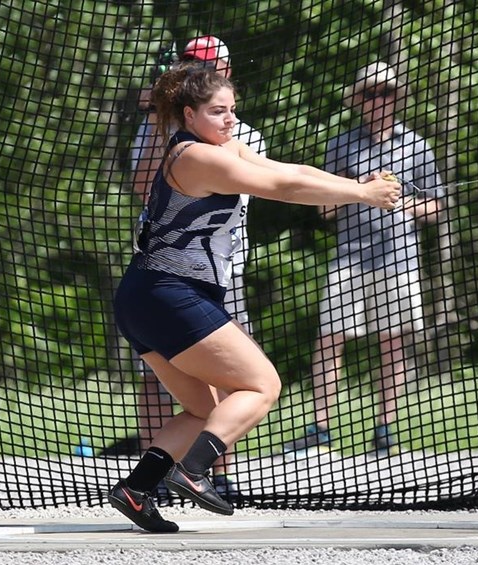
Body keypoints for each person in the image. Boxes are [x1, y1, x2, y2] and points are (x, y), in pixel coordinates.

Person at [107, 64, 401, 533]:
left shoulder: (221, 148)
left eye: (232, 110)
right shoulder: (197, 157)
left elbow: (293, 171)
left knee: (205, 410)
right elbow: (282, 189)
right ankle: (194, 471)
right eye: (217, 111)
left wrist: (357, 187)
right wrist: (362, 194)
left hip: (147, 297)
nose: (229, 119)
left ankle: (136, 489)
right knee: (262, 385)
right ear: (189, 114)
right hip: (168, 294)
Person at [125, 36, 267, 497]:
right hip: (172, 281)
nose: (199, 71)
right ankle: (183, 475)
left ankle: (168, 482)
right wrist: (159, 120)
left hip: (203, 278)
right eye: (190, 64)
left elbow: (282, 178)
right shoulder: (170, 136)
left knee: (218, 392)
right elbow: (142, 185)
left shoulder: (237, 134)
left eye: (209, 65)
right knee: (256, 383)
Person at [281, 62, 444, 457]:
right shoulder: (341, 144)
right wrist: (359, 187)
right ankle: (320, 429)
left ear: (396, 97)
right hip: (349, 256)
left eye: (385, 92)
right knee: (329, 338)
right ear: (359, 100)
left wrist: (401, 202)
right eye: (370, 93)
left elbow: (437, 207)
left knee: (393, 341)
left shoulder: (416, 145)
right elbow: (324, 210)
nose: (378, 99)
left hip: (399, 258)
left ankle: (385, 430)